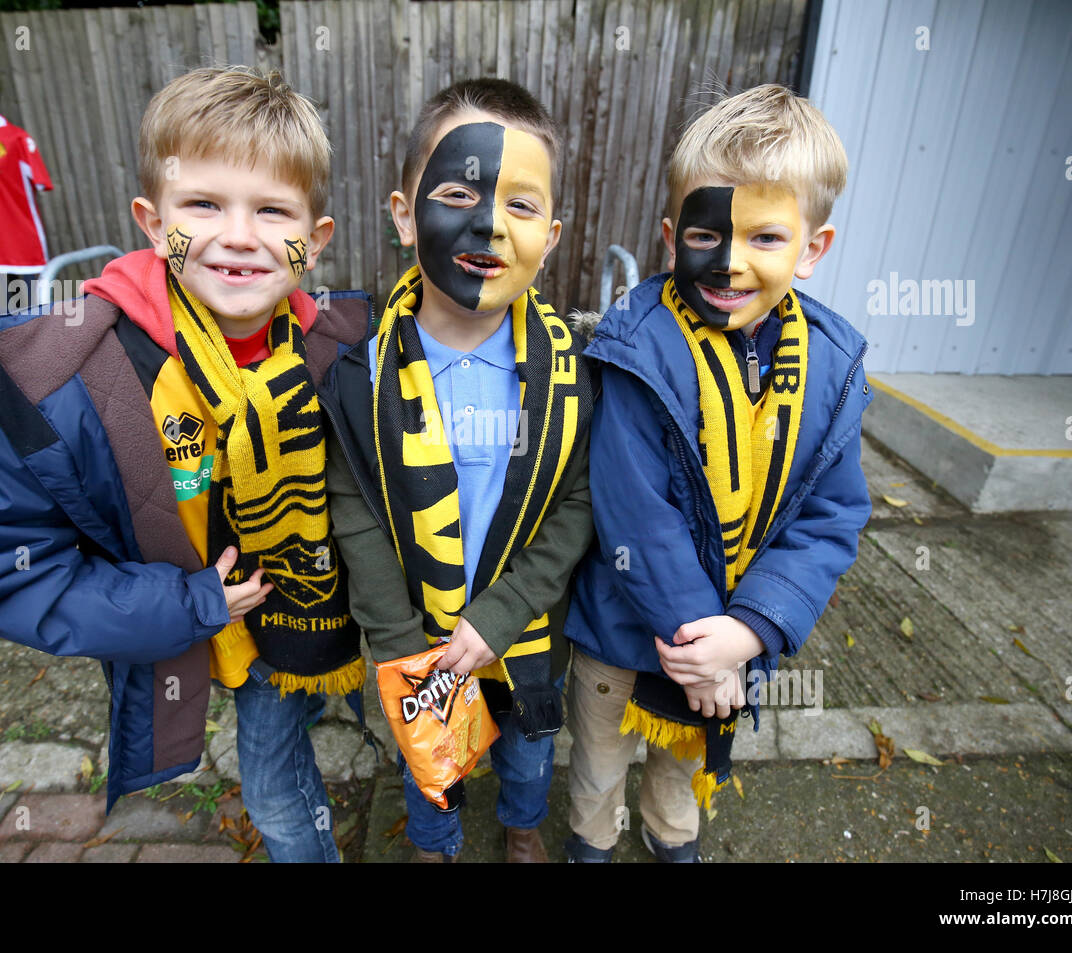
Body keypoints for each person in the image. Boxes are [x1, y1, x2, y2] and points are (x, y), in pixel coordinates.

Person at [0, 67, 371, 862]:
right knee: (273, 794)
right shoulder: (65, 378)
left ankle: (310, 698)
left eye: (273, 211)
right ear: (152, 222)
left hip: (307, 620)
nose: (239, 234)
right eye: (204, 204)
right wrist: (185, 604)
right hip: (205, 621)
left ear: (317, 237)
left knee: (276, 759)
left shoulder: (342, 348)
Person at [563, 84, 872, 862]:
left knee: (683, 759)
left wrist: (749, 630)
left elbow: (828, 517)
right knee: (599, 759)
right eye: (708, 233)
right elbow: (636, 511)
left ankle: (673, 837)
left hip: (733, 632)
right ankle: (592, 843)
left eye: (765, 238)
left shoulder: (834, 370)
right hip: (620, 627)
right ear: (671, 238)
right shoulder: (636, 344)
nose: (730, 262)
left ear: (812, 249)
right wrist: (696, 638)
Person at [319, 78, 594, 863]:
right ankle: (434, 843)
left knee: (528, 748)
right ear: (405, 214)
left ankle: (520, 821)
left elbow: (575, 507)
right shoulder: (359, 376)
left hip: (525, 634)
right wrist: (401, 640)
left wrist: (499, 616)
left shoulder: (572, 376)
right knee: (427, 761)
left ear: (552, 236)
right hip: (420, 643)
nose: (488, 223)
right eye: (457, 190)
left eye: (522, 205)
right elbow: (355, 511)